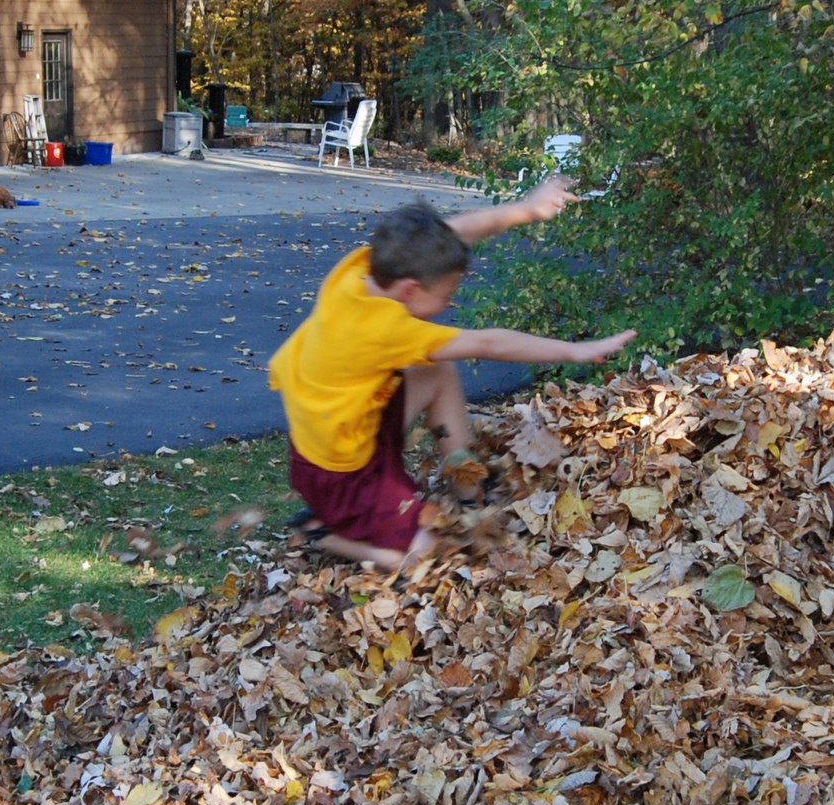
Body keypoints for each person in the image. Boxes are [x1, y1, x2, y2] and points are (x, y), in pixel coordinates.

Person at [268, 175, 633, 572]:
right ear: (410, 290)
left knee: (437, 370)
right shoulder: (381, 329)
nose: (449, 303)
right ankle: (322, 530)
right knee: (422, 554)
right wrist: (577, 351)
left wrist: (527, 209)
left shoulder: (364, 268)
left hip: (349, 424)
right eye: (445, 295)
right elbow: (490, 344)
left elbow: (451, 235)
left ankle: (468, 489)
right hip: (339, 476)